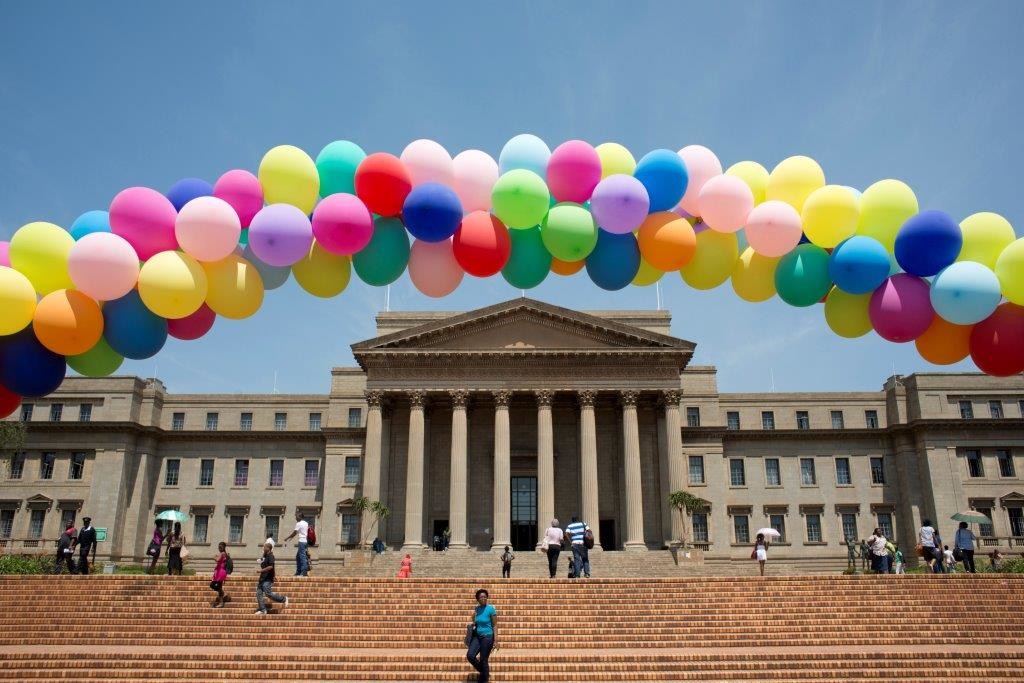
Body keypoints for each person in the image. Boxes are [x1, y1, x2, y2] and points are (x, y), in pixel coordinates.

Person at [466, 588, 497, 683]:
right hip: (477, 636)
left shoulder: (491, 609)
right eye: (481, 597)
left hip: (487, 637)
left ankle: (484, 679)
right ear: (478, 599)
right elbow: (474, 620)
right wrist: (474, 616)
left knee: (484, 659)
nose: (483, 598)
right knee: (470, 655)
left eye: (485, 597)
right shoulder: (477, 609)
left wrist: (496, 640)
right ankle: (484, 672)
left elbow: (495, 625)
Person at [255, 541, 287, 616]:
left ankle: (283, 599)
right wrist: (261, 561)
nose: (263, 548)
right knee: (259, 593)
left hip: (267, 578)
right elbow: (268, 566)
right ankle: (263, 610)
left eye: (264, 547)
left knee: (268, 593)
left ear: (268, 548)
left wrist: (260, 571)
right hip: (262, 578)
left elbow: (271, 567)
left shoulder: (271, 556)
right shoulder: (265, 556)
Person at [283, 511, 309, 576]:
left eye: (296, 516)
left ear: (300, 516)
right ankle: (298, 571)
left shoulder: (299, 523)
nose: (295, 518)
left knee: (302, 557)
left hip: (301, 542)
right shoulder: (306, 523)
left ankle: (304, 572)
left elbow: (294, 533)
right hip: (305, 541)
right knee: (298, 557)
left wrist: (287, 538)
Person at [210, 542, 230, 607]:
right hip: (218, 572)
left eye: (221, 547)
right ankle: (224, 595)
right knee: (215, 586)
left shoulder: (223, 553)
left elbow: (218, 559)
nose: (219, 548)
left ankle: (221, 602)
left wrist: (214, 557)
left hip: (221, 572)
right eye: (219, 547)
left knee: (216, 586)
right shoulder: (223, 553)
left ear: (224, 547)